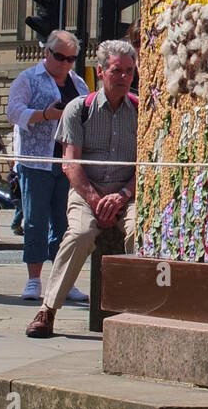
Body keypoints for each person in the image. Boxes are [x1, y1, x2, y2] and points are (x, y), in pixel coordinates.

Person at [25, 40, 137, 339]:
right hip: (87, 192)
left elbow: (148, 167)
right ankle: (47, 310)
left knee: (141, 232)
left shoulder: (140, 110)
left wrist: (123, 195)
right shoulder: (79, 108)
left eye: (129, 71)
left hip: (127, 195)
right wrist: (95, 199)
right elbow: (70, 164)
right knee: (80, 234)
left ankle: (138, 311)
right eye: (117, 70)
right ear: (101, 71)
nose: (124, 77)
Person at [6, 30, 89, 303]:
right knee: (35, 221)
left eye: (71, 59)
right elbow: (13, 112)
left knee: (65, 225)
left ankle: (63, 280)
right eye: (60, 57)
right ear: (46, 53)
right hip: (36, 161)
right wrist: (44, 115)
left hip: (67, 163)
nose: (65, 63)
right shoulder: (28, 79)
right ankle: (33, 280)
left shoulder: (78, 84)